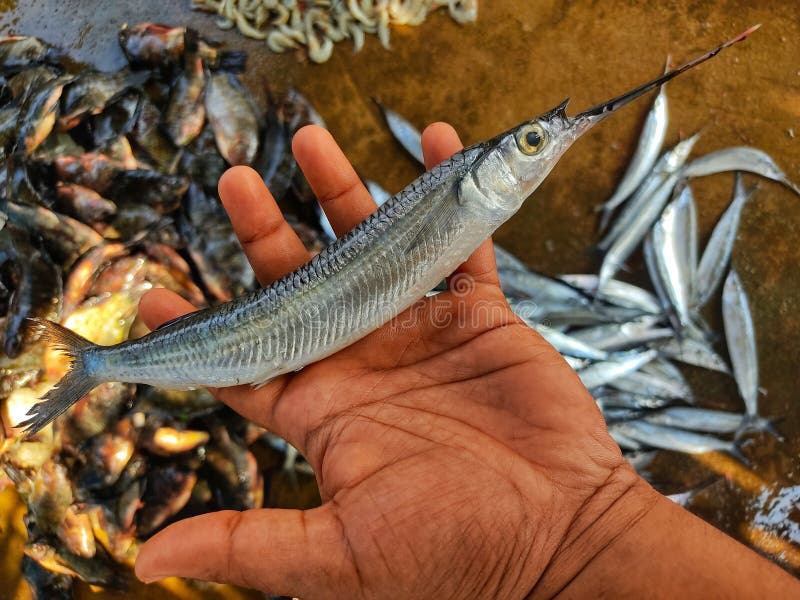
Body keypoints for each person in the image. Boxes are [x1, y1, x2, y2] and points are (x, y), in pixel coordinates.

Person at [134, 123, 799, 598]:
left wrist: (572, 539)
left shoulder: (479, 202)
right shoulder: (464, 196)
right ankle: (106, 363)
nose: (543, 151)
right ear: (479, 178)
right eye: (531, 143)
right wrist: (576, 543)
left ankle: (109, 363)